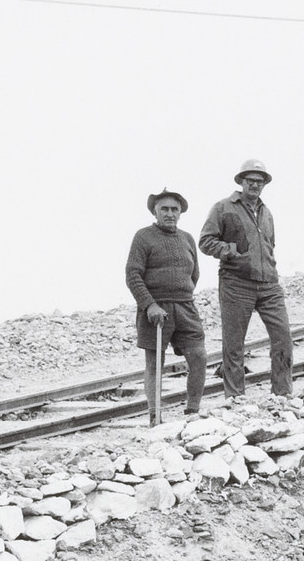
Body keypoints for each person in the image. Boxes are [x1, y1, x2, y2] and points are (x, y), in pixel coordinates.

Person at [200, 160, 292, 399]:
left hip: (269, 284)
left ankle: (282, 394)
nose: (254, 184)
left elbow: (270, 245)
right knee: (234, 345)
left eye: (259, 181)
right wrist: (228, 250)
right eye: (250, 180)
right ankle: (235, 398)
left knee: (283, 338)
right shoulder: (223, 208)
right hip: (236, 283)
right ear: (241, 182)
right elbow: (205, 241)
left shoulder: (266, 212)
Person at [125, 190, 207, 420]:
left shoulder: (187, 238)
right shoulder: (143, 237)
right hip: (154, 310)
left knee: (199, 356)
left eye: (174, 209)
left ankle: (193, 411)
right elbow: (132, 275)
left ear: (180, 213)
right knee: (154, 364)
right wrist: (150, 305)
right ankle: (155, 416)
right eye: (164, 209)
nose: (170, 214)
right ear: (155, 212)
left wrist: (181, 293)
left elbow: (194, 274)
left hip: (185, 308)